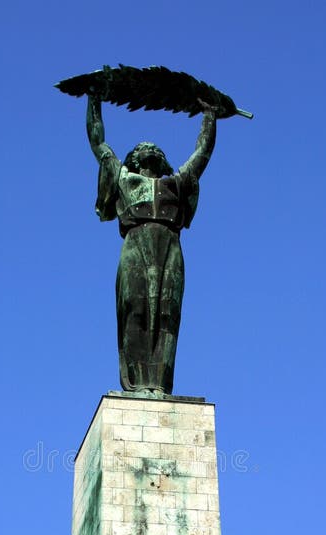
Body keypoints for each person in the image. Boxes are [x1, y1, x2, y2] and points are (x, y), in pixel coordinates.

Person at [87, 95, 217, 394]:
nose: (150, 147)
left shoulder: (176, 184)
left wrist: (209, 115)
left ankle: (159, 385)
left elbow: (202, 156)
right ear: (134, 158)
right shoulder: (124, 179)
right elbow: (99, 145)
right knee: (136, 310)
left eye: (155, 147)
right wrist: (94, 98)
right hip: (136, 244)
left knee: (166, 315)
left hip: (170, 247)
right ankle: (136, 384)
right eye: (143, 147)